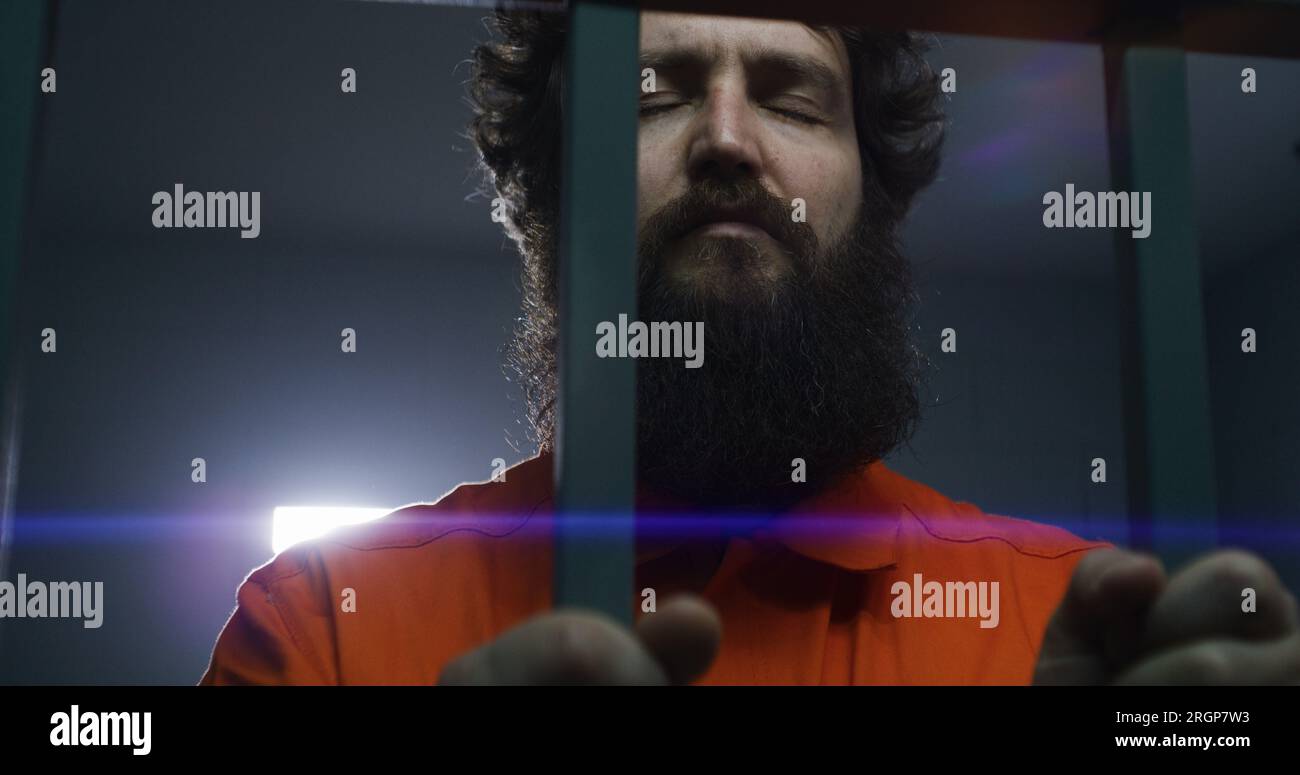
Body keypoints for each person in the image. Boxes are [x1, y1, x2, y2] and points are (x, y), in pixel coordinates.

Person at [200, 10, 1300, 685]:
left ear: (874, 196)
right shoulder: (321, 627)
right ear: (550, 196)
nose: (727, 140)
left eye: (793, 100)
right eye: (650, 93)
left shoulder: (1085, 623)